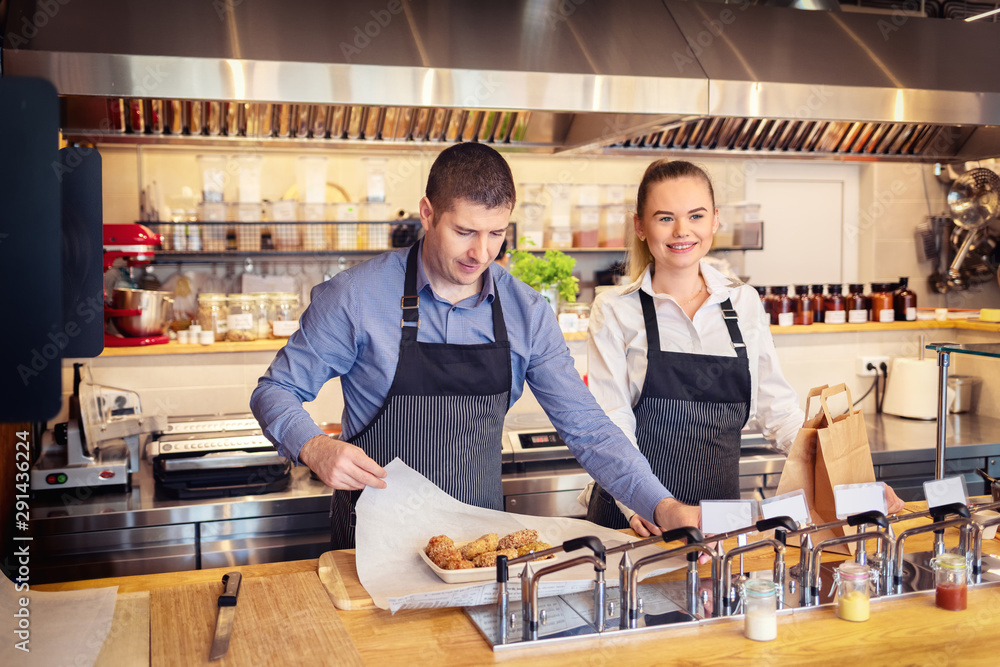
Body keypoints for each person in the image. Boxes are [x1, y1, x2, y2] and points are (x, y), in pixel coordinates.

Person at [250, 143, 682, 549]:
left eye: (496, 233)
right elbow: (274, 390)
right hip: (372, 543)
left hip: (477, 549)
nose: (481, 252)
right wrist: (314, 446)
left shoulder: (526, 311)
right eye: (464, 231)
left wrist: (663, 506)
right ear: (427, 213)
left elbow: (588, 428)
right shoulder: (355, 297)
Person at [584, 159, 904, 536]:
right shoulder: (615, 310)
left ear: (715, 220)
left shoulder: (743, 303)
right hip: (637, 522)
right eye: (665, 218)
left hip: (719, 522)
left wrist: (849, 479)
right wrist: (638, 501)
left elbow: (778, 412)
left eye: (696, 216)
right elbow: (610, 423)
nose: (682, 231)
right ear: (640, 225)